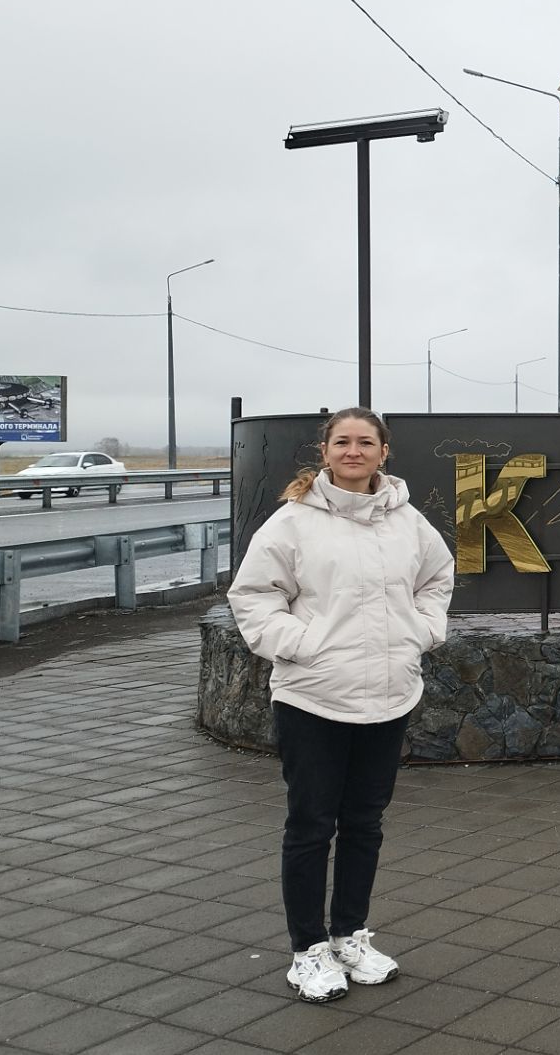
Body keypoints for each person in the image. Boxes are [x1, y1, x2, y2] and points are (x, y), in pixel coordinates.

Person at [227, 407, 455, 1003]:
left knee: (364, 824)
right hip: (314, 697)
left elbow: (437, 579)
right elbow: (253, 596)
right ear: (325, 452)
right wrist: (303, 646)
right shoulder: (293, 522)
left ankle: (349, 935)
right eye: (343, 442)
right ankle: (308, 950)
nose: (354, 451)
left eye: (365, 442)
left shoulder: (408, 522)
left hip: (389, 696)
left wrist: (422, 630)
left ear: (384, 452)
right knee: (310, 826)